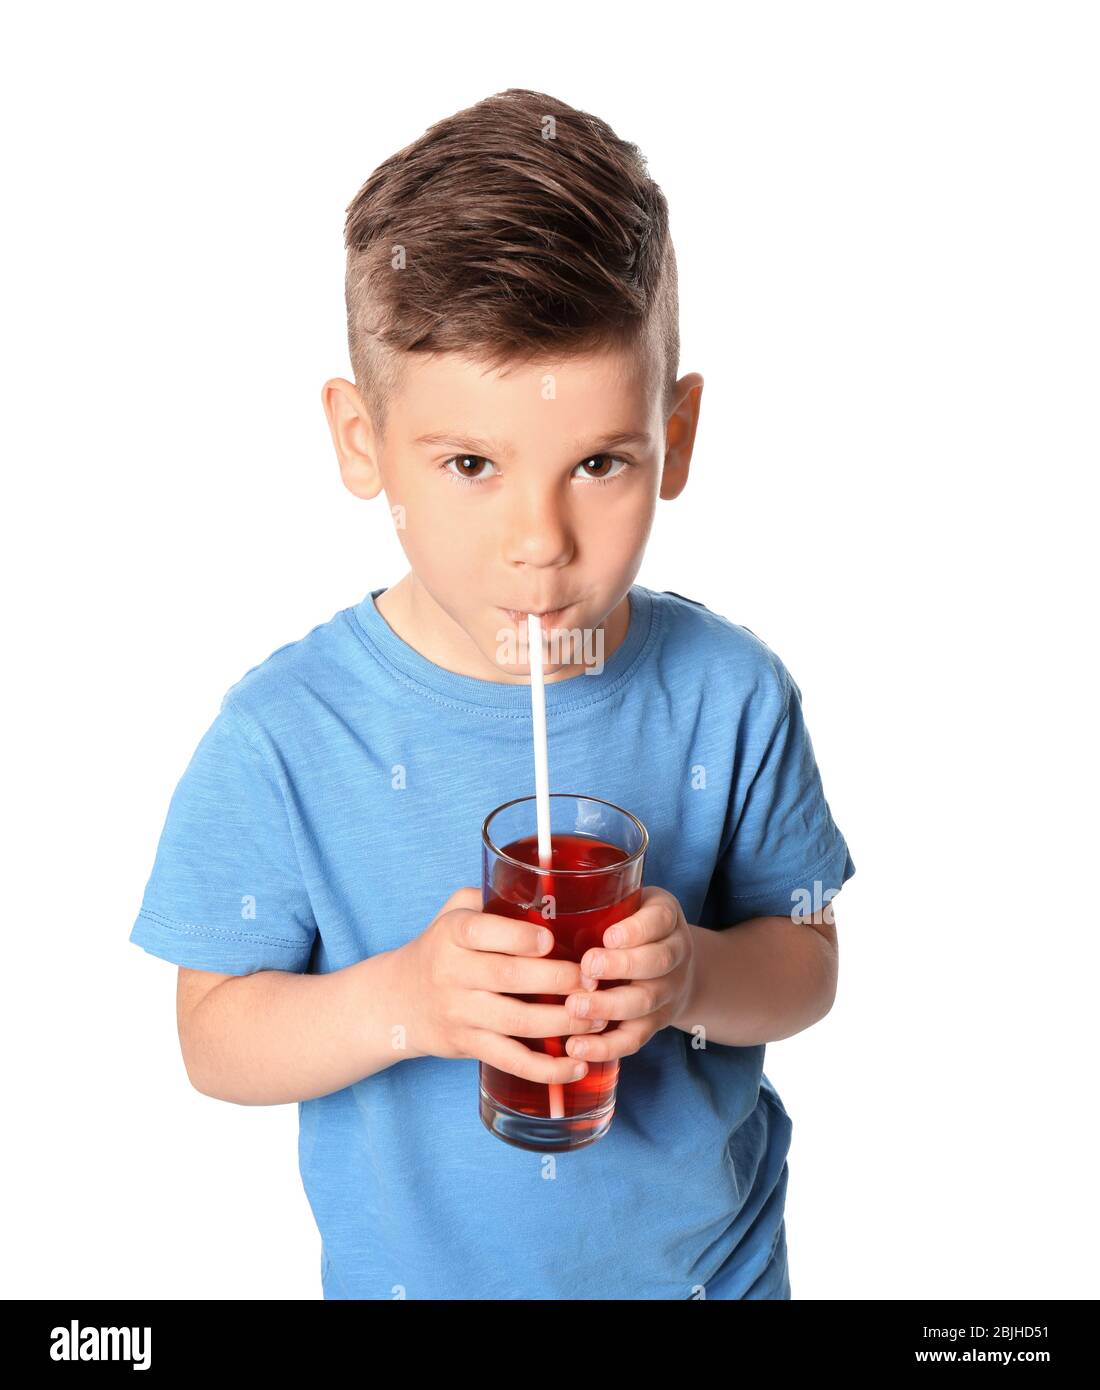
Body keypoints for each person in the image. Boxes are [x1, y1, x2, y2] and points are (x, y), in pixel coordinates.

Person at [130, 87, 855, 1300]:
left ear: (675, 436)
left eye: (598, 463)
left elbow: (808, 957)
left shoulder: (729, 693)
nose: (539, 541)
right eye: (468, 464)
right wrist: (405, 1001)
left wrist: (694, 981)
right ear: (361, 442)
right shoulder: (287, 733)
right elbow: (213, 1034)